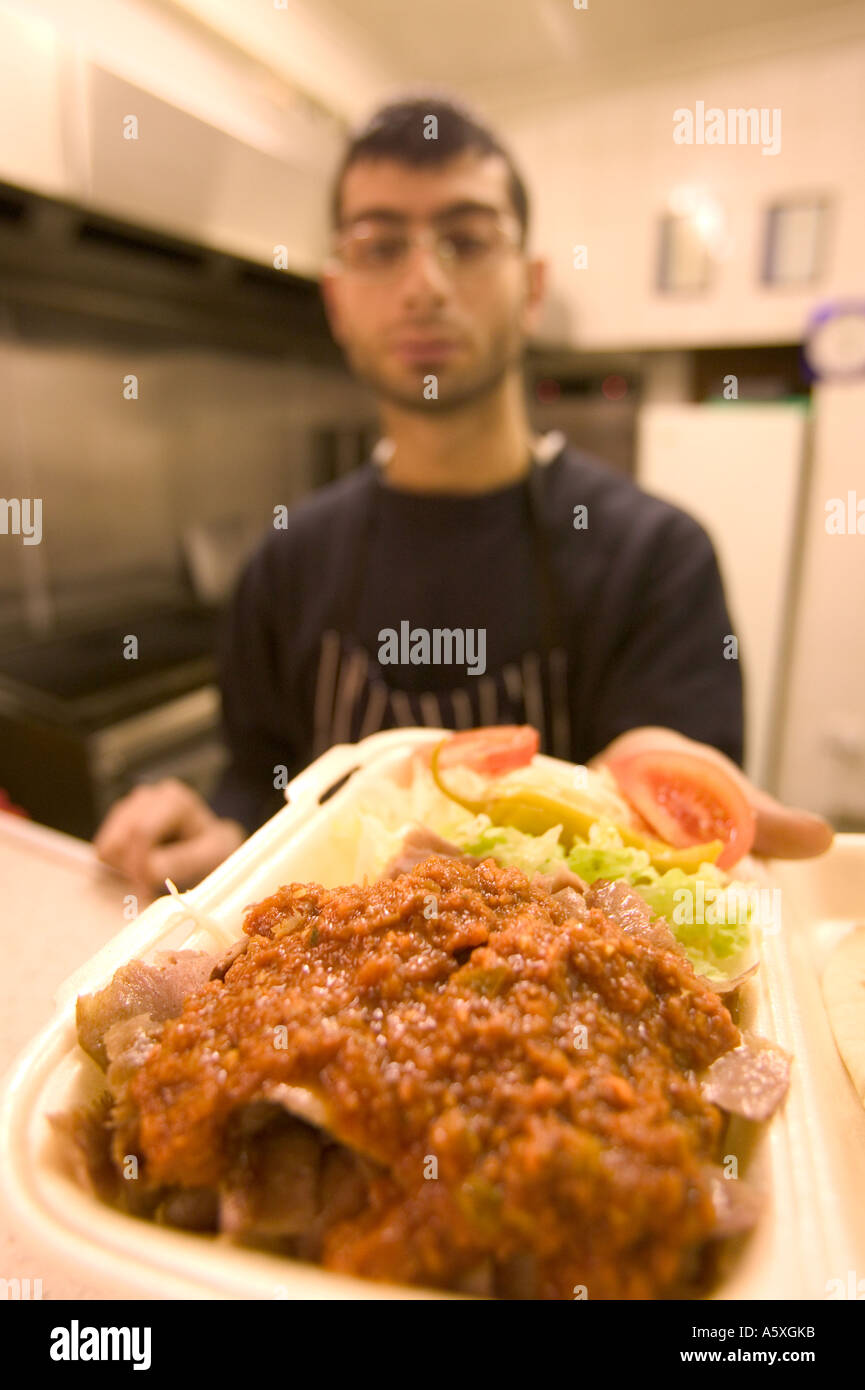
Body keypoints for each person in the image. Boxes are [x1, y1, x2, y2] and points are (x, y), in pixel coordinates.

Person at [94, 96, 832, 895]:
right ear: (338, 299)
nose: (423, 283)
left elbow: (677, 830)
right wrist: (217, 833)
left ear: (532, 287)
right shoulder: (283, 563)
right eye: (379, 246)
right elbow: (258, 785)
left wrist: (657, 772)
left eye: (466, 240)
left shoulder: (656, 556)